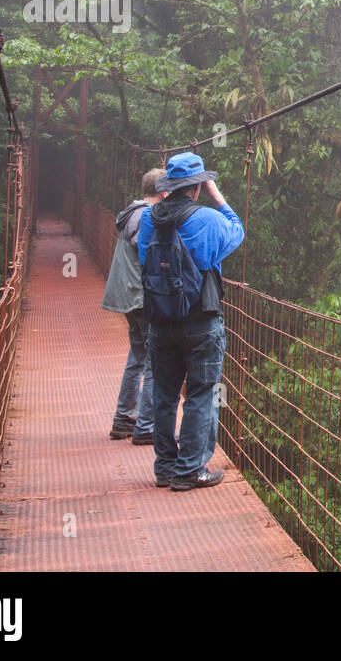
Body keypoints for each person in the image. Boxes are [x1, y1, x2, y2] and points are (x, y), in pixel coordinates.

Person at [138, 152, 244, 491]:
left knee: (165, 393)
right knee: (201, 392)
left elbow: (144, 260)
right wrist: (218, 197)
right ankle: (190, 470)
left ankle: (165, 468)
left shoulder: (147, 220)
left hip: (159, 319)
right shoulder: (209, 220)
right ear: (198, 187)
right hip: (200, 319)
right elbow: (237, 231)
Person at [101, 167, 167, 444]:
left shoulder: (132, 211)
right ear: (164, 192)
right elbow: (148, 255)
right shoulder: (146, 216)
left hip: (130, 296)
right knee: (154, 362)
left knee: (138, 356)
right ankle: (146, 426)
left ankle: (124, 419)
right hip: (141, 297)